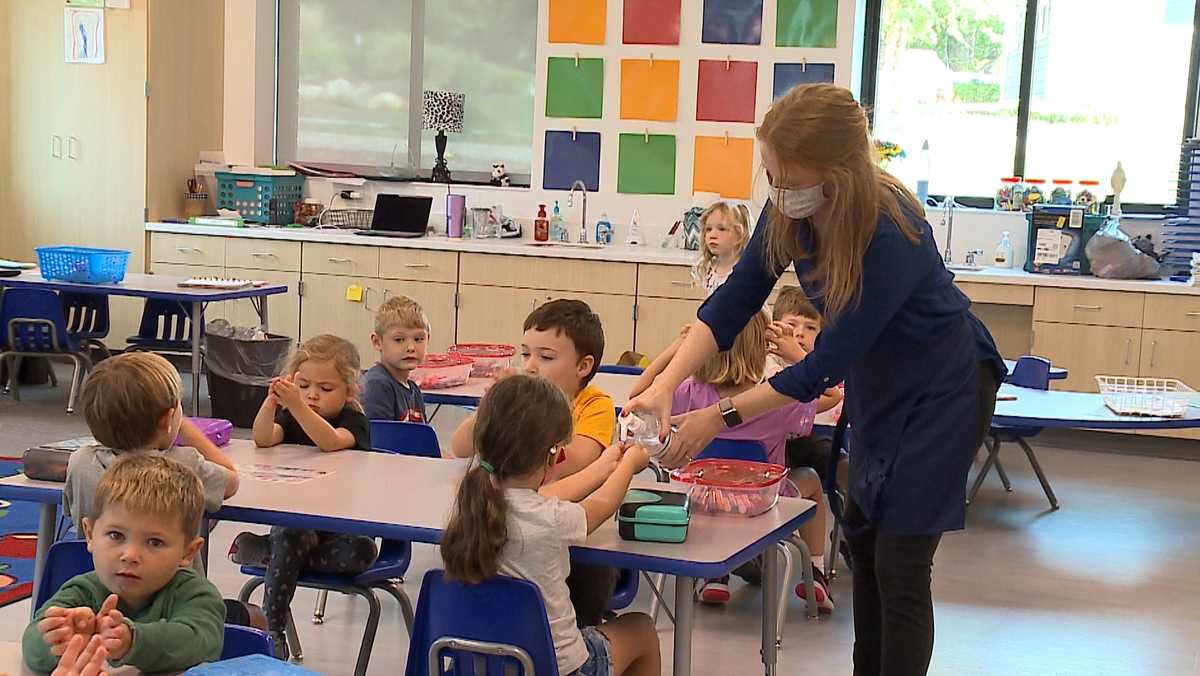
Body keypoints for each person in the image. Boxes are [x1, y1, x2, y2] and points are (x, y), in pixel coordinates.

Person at [625, 83, 1004, 676]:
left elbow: (820, 367)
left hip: (943, 388)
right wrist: (666, 381)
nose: (775, 190)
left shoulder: (889, 232)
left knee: (901, 560)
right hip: (881, 381)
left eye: (785, 177)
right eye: (770, 175)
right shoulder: (791, 210)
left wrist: (716, 418)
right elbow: (734, 301)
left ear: (835, 172)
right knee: (867, 540)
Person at [441, 374, 661, 676]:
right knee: (642, 629)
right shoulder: (551, 518)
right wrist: (628, 465)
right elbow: (603, 506)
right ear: (553, 455)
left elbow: (539, 500)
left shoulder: (468, 506)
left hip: (473, 666)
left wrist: (604, 465)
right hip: (555, 668)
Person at [641, 311, 836, 611]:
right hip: (760, 508)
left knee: (715, 497)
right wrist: (797, 354)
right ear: (762, 348)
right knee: (810, 476)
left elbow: (642, 395)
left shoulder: (688, 394)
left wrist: (677, 348)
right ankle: (816, 571)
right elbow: (831, 392)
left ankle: (717, 576)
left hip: (700, 503)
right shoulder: (775, 399)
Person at [450, 299, 620, 626]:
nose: (529, 366)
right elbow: (460, 447)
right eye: (525, 353)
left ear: (583, 366)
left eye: (545, 357)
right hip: (520, 525)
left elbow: (579, 459)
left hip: (572, 536)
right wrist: (491, 405)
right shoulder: (518, 402)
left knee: (586, 580)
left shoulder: (594, 404)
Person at [230, 334, 377, 658]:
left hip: (340, 532)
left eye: (325, 389)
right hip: (295, 526)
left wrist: (296, 405)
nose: (312, 396)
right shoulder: (291, 414)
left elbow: (330, 441)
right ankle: (272, 631)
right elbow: (263, 438)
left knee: (364, 552)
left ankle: (268, 553)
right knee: (290, 538)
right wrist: (272, 404)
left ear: (349, 391)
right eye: (305, 386)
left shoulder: (354, 419)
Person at [24, 455, 226, 673]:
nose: (130, 555)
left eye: (154, 542)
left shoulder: (196, 594)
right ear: (90, 534)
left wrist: (132, 641)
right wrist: (62, 639)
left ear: (188, 552)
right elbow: (32, 644)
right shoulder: (83, 590)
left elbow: (201, 644)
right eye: (116, 535)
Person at [65, 352, 238, 532]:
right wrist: (183, 426)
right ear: (167, 420)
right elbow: (231, 481)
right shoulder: (185, 465)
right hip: (169, 561)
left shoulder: (80, 462)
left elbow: (71, 510)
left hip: (95, 561)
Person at [361, 294, 429, 422]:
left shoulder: (413, 389)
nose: (410, 347)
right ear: (377, 342)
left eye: (418, 339)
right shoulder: (377, 385)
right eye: (399, 340)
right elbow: (379, 439)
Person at [692, 201, 752, 296]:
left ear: (740, 235)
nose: (712, 235)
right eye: (708, 229)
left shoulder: (745, 272)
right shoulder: (708, 268)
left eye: (721, 229)